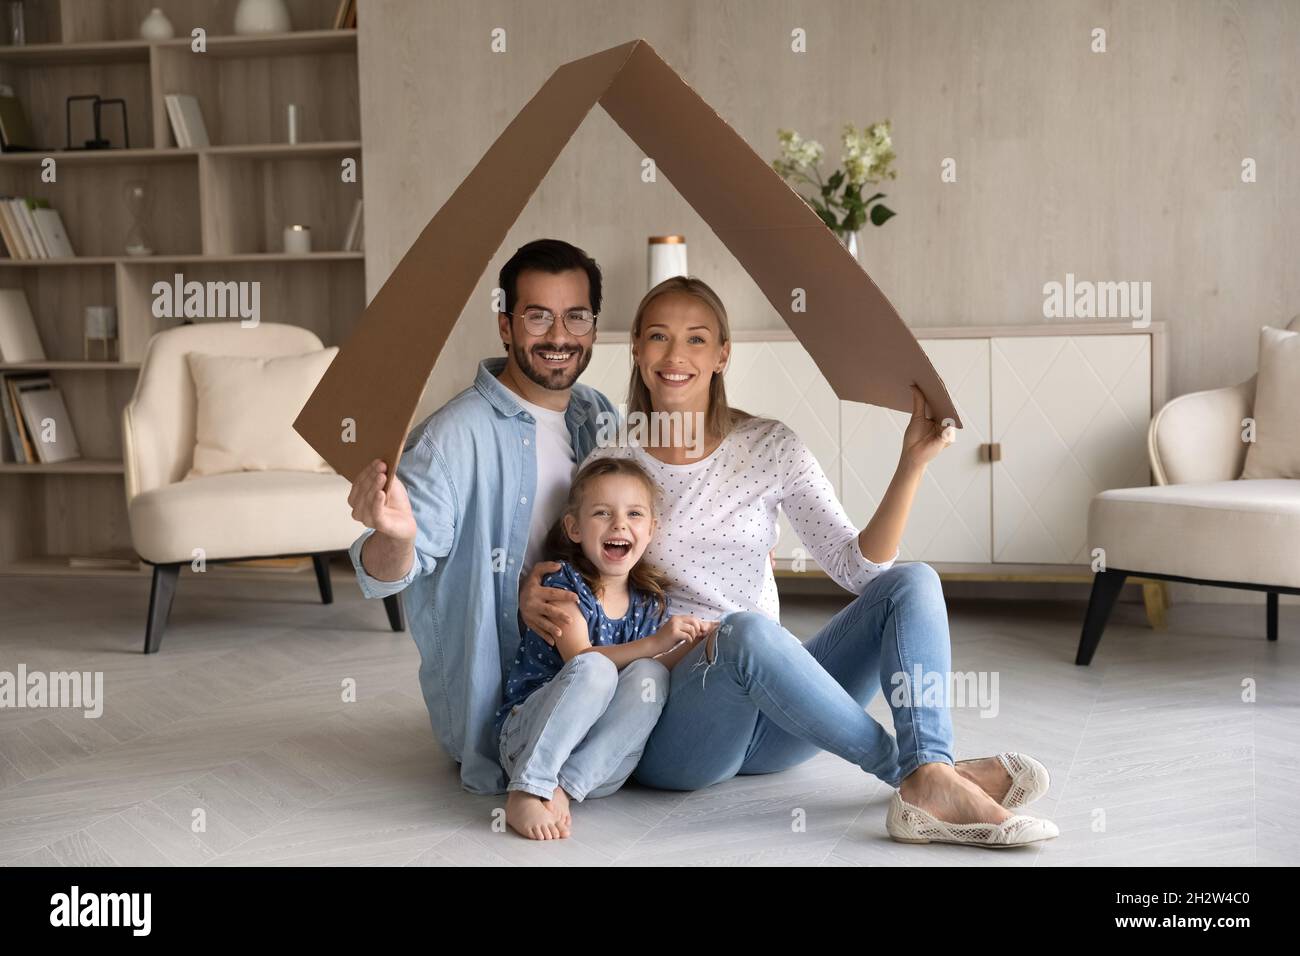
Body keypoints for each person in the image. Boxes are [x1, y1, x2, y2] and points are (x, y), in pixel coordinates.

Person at [521, 275, 1058, 847]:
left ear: (723, 353)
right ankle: (921, 778)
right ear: (635, 347)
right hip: (679, 727)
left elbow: (860, 572)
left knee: (913, 582)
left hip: (777, 715)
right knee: (745, 632)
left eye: (697, 339)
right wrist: (533, 590)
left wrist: (913, 464)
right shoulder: (615, 461)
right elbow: (574, 567)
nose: (676, 355)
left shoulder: (769, 446)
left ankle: (932, 765)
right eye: (658, 336)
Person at [346, 238, 618, 795]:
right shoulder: (452, 436)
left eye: (576, 316)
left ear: (593, 324)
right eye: (538, 316)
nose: (559, 336)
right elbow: (388, 572)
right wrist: (394, 533)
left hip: (586, 660)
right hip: (500, 705)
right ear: (505, 324)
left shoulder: (597, 414)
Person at [496, 457, 715, 840]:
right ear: (574, 528)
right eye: (602, 513)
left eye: (634, 514)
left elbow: (652, 659)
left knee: (651, 675)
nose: (619, 524)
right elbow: (580, 658)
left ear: (650, 530)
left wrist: (692, 641)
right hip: (530, 741)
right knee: (596, 669)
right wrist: (654, 642)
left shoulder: (649, 602)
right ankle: (528, 789)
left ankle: (561, 788)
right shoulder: (562, 587)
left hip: (595, 764)